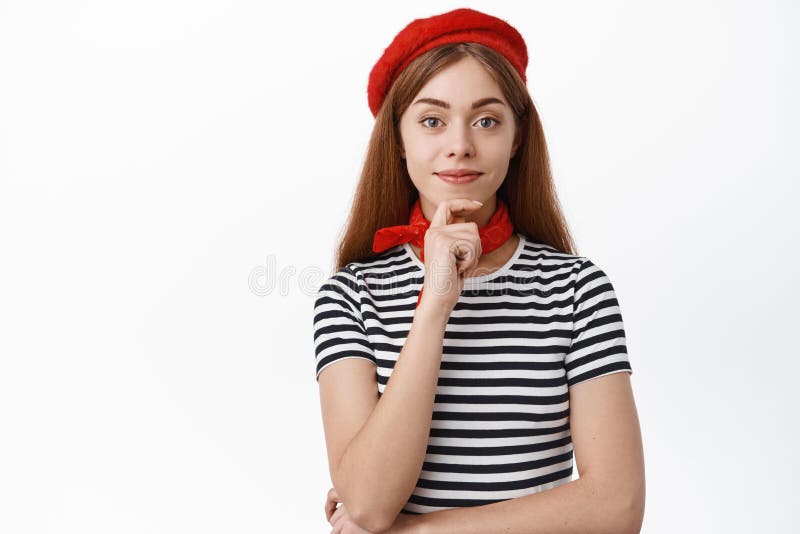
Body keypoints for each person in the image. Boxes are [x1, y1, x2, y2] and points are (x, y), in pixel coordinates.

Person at [312, 8, 645, 534]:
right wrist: (435, 305)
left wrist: (415, 532)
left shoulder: (578, 290)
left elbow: (616, 507)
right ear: (398, 140)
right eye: (431, 120)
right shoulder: (349, 296)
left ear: (517, 137)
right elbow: (370, 502)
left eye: (487, 119)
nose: (460, 144)